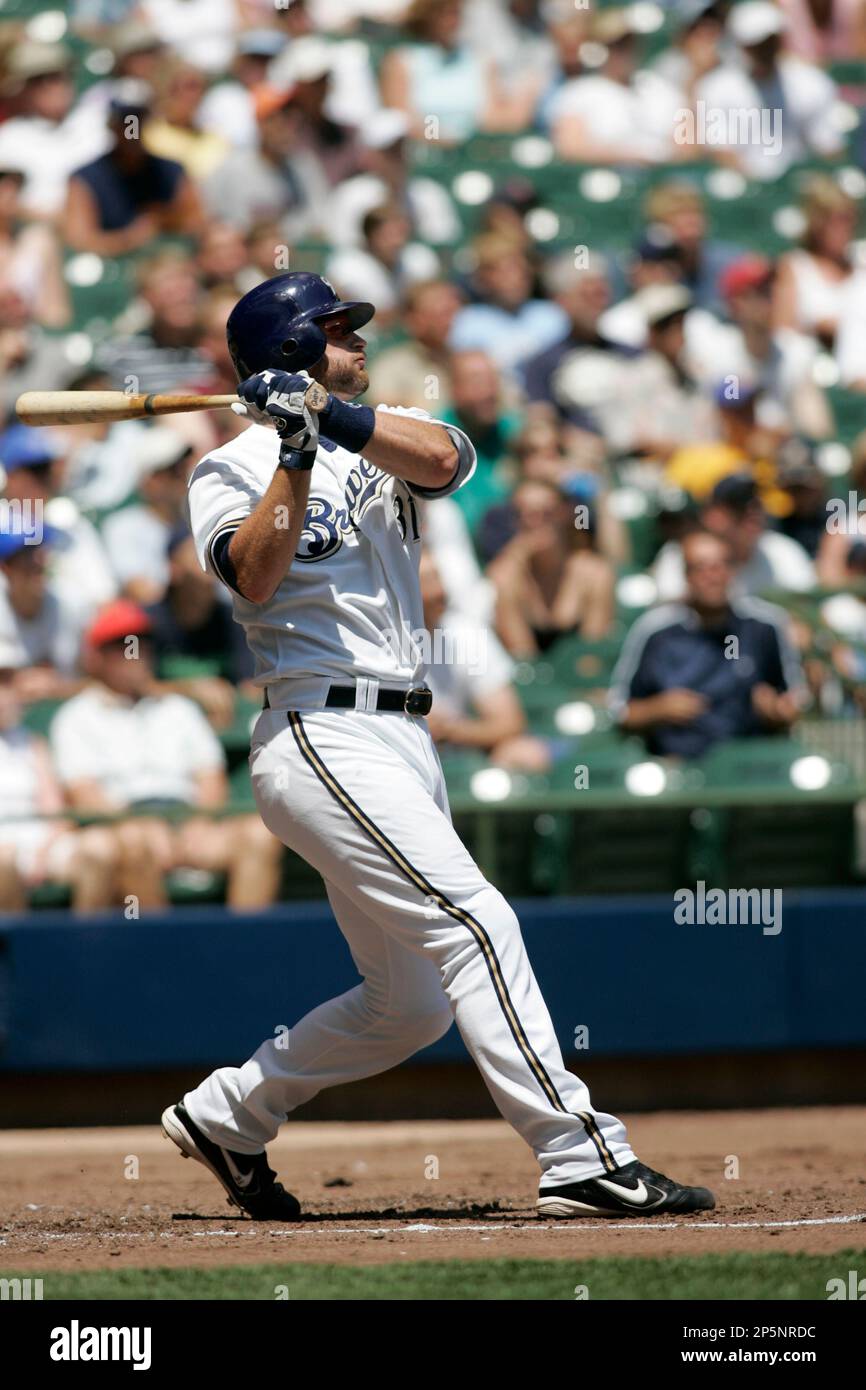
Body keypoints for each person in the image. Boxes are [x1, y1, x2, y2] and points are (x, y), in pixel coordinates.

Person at [162, 269, 715, 1222]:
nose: (358, 343)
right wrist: (291, 452)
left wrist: (326, 417)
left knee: (408, 1003)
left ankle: (229, 1114)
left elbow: (450, 459)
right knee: (476, 923)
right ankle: (581, 1155)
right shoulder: (227, 469)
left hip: (405, 734)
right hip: (319, 730)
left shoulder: (375, 434)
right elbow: (253, 578)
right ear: (291, 348)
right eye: (337, 332)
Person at [50, 600, 283, 911]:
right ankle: (165, 955)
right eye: (122, 645)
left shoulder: (179, 709)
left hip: (186, 820)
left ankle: (243, 950)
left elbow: (210, 777)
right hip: (125, 824)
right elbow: (84, 794)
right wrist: (144, 827)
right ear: (97, 657)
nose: (136, 654)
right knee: (133, 843)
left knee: (259, 835)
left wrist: (197, 823)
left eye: (143, 643)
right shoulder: (76, 716)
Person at [611, 528, 805, 759]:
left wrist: (775, 709)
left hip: (750, 765)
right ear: (686, 575)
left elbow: (794, 701)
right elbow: (620, 710)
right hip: (676, 766)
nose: (712, 576)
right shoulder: (656, 631)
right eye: (700, 567)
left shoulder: (765, 626)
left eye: (720, 565)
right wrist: (657, 709)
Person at [0, 636, 121, 914]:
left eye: (10, 681)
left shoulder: (32, 745)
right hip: (5, 854)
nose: (8, 692)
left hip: (39, 847)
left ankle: (86, 949)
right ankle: (18, 956)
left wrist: (42, 852)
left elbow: (56, 814)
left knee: (99, 849)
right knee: (3, 866)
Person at [419, 552, 550, 772]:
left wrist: (449, 729)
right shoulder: (375, 639)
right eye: (425, 581)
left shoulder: (465, 633)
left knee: (528, 753)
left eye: (438, 578)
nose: (439, 592)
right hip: (393, 752)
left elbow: (509, 722)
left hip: (454, 749)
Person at [694, 2, 842, 180]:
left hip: (800, 181)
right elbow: (721, 151)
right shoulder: (716, 88)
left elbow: (828, 146)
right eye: (756, 43)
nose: (764, 49)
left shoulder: (812, 82)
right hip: (741, 185)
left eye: (769, 41)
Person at [65, 83, 203, 256]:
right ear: (112, 125)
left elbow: (197, 223)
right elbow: (79, 240)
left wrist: (164, 220)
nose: (132, 130)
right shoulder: (86, 178)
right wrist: (128, 239)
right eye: (126, 121)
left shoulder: (172, 171)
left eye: (137, 119)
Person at [488, 477, 615, 655]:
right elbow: (523, 658)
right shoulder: (505, 577)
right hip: (528, 677)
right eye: (523, 514)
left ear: (565, 513)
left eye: (547, 512)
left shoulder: (594, 574)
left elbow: (592, 653)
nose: (534, 522)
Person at [379, 0, 538, 142]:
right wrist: (439, 139)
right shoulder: (403, 60)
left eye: (456, 13)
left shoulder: (480, 61)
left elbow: (492, 117)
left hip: (474, 154)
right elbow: (403, 119)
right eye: (443, 14)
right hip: (425, 154)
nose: (451, 21)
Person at [548, 8, 682, 165]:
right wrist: (633, 156)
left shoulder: (661, 89)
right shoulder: (579, 92)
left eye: (629, 44)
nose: (624, 52)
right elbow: (570, 148)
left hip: (660, 178)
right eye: (616, 46)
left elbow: (687, 146)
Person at [653, 473, 816, 599]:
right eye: (740, 506)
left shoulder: (783, 552)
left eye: (757, 503)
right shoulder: (680, 556)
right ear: (713, 516)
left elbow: (807, 607)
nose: (752, 512)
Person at [451, 234, 568, 373]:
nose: (516, 279)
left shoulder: (552, 316)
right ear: (483, 278)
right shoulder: (467, 324)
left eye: (521, 270)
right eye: (505, 272)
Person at [772, 176, 861, 350]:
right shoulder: (794, 266)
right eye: (835, 221)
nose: (844, 229)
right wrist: (820, 327)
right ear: (816, 223)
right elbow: (782, 332)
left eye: (848, 219)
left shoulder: (861, 261)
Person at [367, 278, 463, 411]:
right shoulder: (391, 366)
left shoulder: (462, 361)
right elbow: (382, 413)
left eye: (450, 312)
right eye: (440, 314)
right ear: (413, 319)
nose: (449, 320)